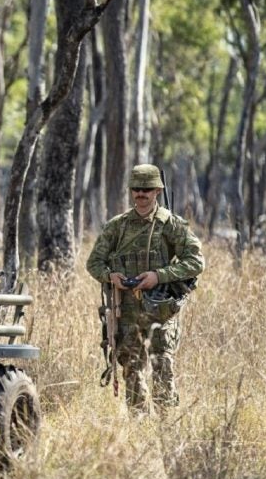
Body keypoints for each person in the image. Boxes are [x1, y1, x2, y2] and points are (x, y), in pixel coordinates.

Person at [86, 164, 205, 412]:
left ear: (157, 191)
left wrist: (158, 276)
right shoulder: (117, 226)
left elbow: (196, 262)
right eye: (136, 189)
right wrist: (111, 277)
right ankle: (138, 424)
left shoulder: (170, 224)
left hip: (160, 309)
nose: (141, 194)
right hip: (126, 311)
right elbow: (94, 263)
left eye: (146, 189)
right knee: (132, 370)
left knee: (163, 367)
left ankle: (165, 425)